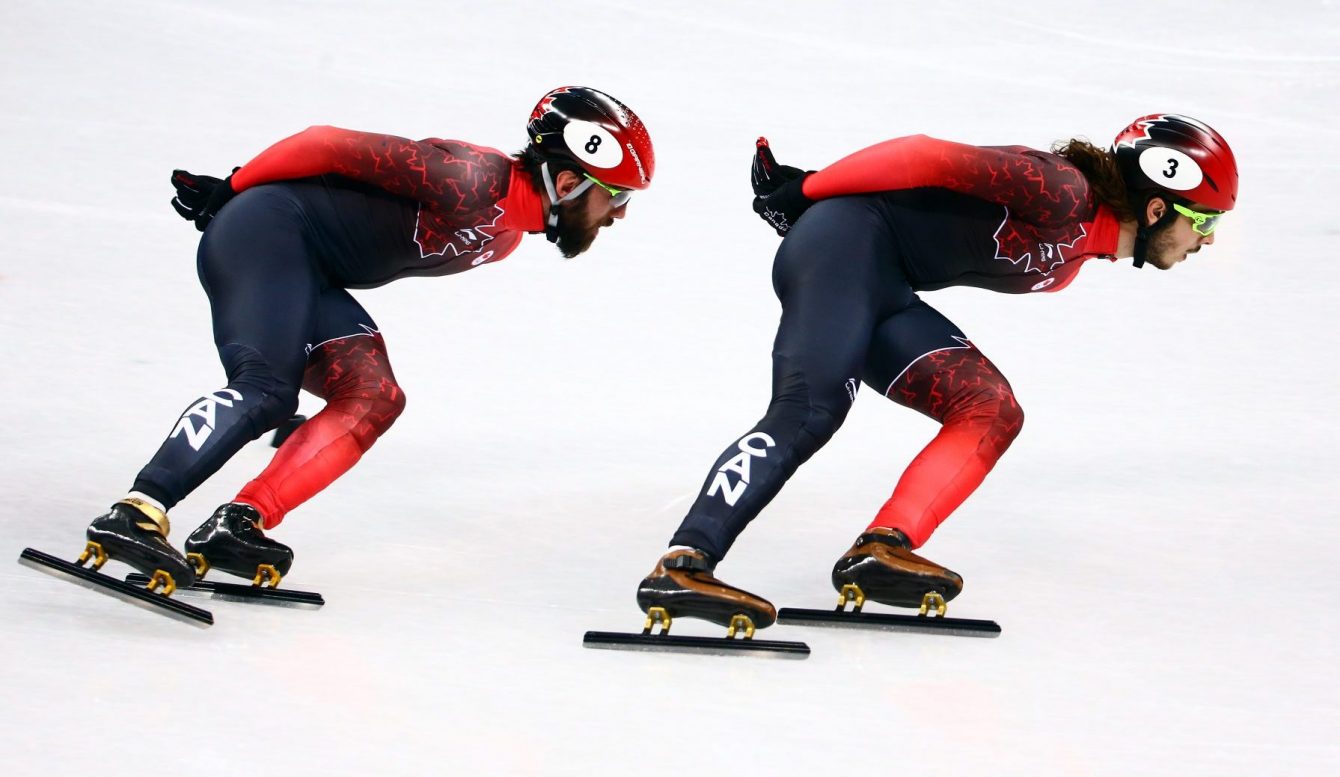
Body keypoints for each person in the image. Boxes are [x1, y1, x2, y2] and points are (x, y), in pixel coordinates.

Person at [636, 114, 1237, 631]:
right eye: (1204, 222)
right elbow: (925, 156)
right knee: (809, 411)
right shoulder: (1062, 191)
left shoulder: (1076, 256)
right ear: (1158, 206)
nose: (1206, 241)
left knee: (992, 410)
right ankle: (684, 562)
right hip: (841, 245)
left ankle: (883, 547)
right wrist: (806, 191)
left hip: (884, 285)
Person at [79, 86, 654, 594]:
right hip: (264, 232)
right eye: (619, 197)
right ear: (572, 181)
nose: (620, 216)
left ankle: (240, 522)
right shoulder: (470, 178)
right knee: (267, 388)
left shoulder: (504, 238)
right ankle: (137, 509)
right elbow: (325, 143)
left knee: (375, 398)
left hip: (308, 272)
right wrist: (229, 189)